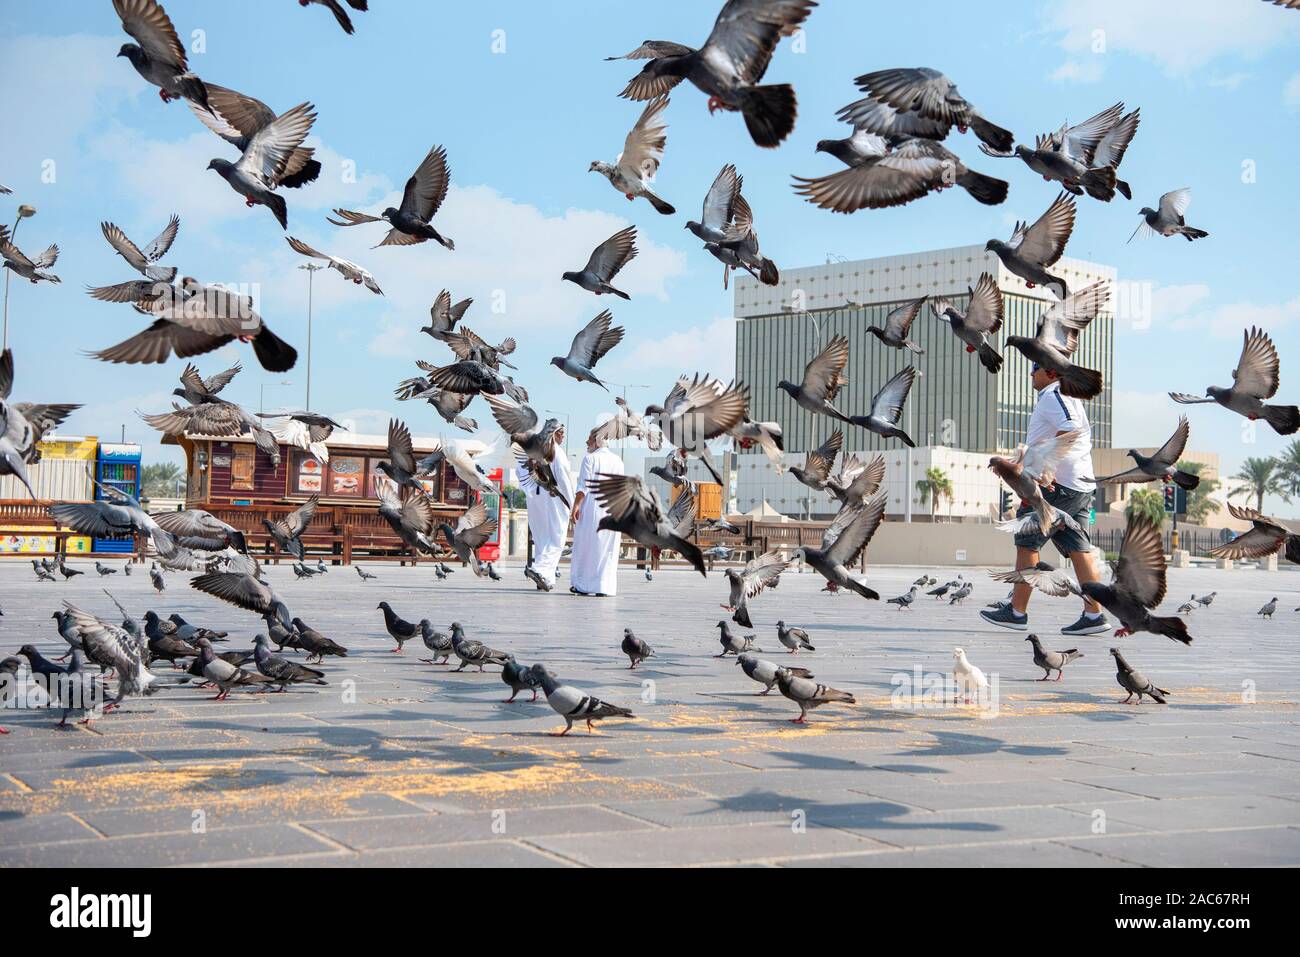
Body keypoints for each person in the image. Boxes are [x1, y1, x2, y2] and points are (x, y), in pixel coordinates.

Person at [980, 363, 1110, 636]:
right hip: (1080, 486)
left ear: (1051, 373)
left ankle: (1016, 612)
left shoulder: (1054, 395)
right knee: (1079, 548)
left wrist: (1045, 469)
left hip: (1058, 488)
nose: (1031, 374)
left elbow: (1070, 430)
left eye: (1036, 368)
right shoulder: (1067, 395)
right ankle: (1094, 614)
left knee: (1027, 543)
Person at [517, 427, 574, 592]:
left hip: (535, 499)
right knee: (557, 539)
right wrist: (571, 504)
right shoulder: (556, 451)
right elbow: (563, 478)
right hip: (553, 498)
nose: (563, 434)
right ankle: (539, 569)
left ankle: (546, 579)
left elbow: (520, 470)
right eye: (560, 431)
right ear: (552, 433)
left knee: (542, 538)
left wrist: (529, 492)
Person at [568, 431, 624, 596]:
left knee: (585, 547)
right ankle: (603, 587)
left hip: (593, 509)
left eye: (590, 439)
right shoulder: (618, 460)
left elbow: (583, 486)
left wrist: (576, 506)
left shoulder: (590, 459)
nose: (587, 442)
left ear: (598, 441)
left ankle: (582, 585)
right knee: (607, 550)